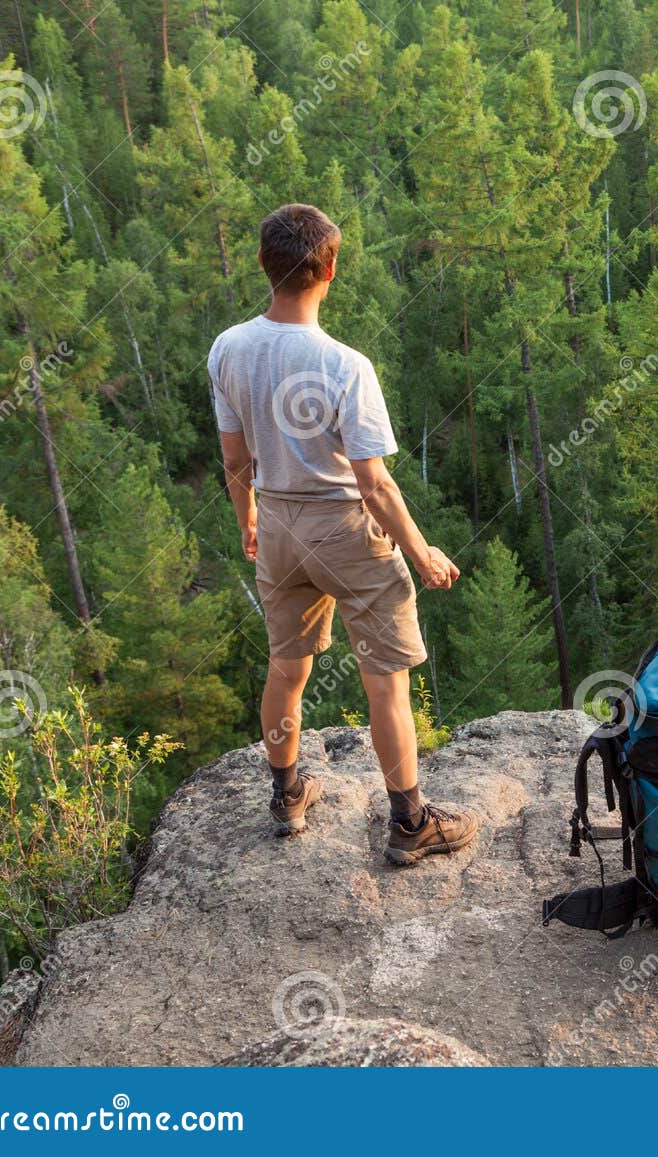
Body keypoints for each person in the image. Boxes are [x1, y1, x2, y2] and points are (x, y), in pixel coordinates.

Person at [210, 203, 480, 866]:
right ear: (329, 268)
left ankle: (287, 794)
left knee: (287, 664)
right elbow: (375, 485)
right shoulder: (345, 366)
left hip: (275, 522)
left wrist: (246, 518)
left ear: (264, 266)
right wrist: (420, 553)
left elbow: (234, 460)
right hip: (345, 532)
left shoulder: (229, 349)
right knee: (385, 680)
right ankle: (411, 822)